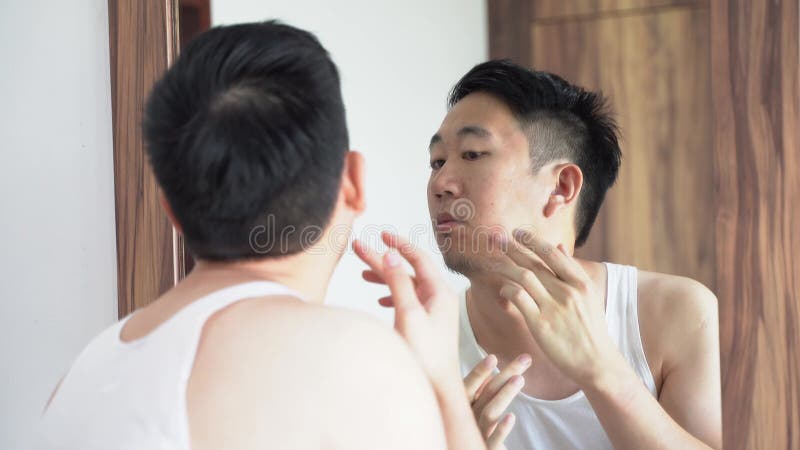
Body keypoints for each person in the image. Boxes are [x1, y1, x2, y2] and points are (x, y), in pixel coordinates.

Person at [39, 21, 512, 450]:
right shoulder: (352, 361)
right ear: (352, 181)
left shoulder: (84, 371)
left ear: (172, 211)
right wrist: (443, 386)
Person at [388, 60, 722, 449]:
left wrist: (601, 369)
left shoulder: (678, 314)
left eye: (473, 154)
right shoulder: (423, 345)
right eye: (437, 161)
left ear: (561, 186)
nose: (440, 183)